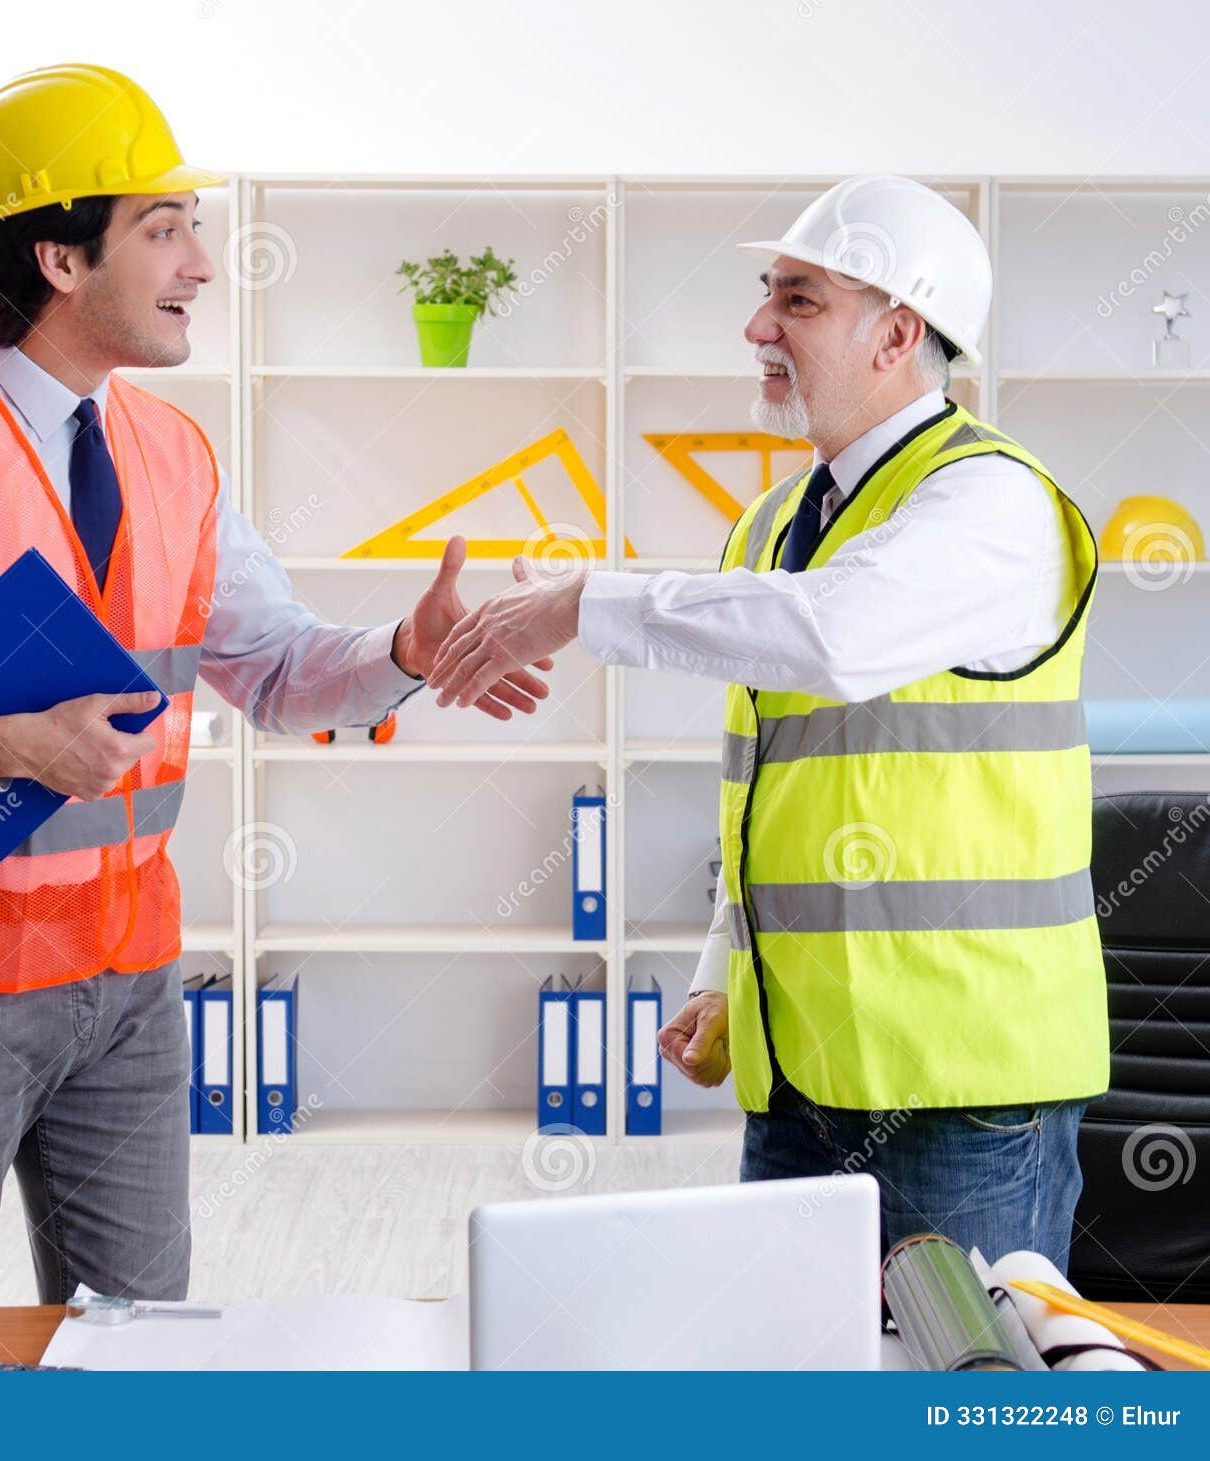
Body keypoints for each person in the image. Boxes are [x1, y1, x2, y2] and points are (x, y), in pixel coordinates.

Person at [0, 63, 551, 1309]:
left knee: (143, 1344)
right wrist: (0, 744)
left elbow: (271, 672)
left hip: (126, 989)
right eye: (164, 231)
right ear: (61, 258)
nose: (203, 265)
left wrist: (401, 655)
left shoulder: (167, 452)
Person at [428, 175, 1109, 1268]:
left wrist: (576, 602)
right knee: (795, 1386)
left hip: (964, 1091)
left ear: (896, 331)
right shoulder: (772, 522)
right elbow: (771, 782)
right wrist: (717, 971)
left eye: (798, 300)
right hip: (795, 1071)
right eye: (767, 295)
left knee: (965, 1415)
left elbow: (838, 635)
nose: (755, 326)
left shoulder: (991, 501)